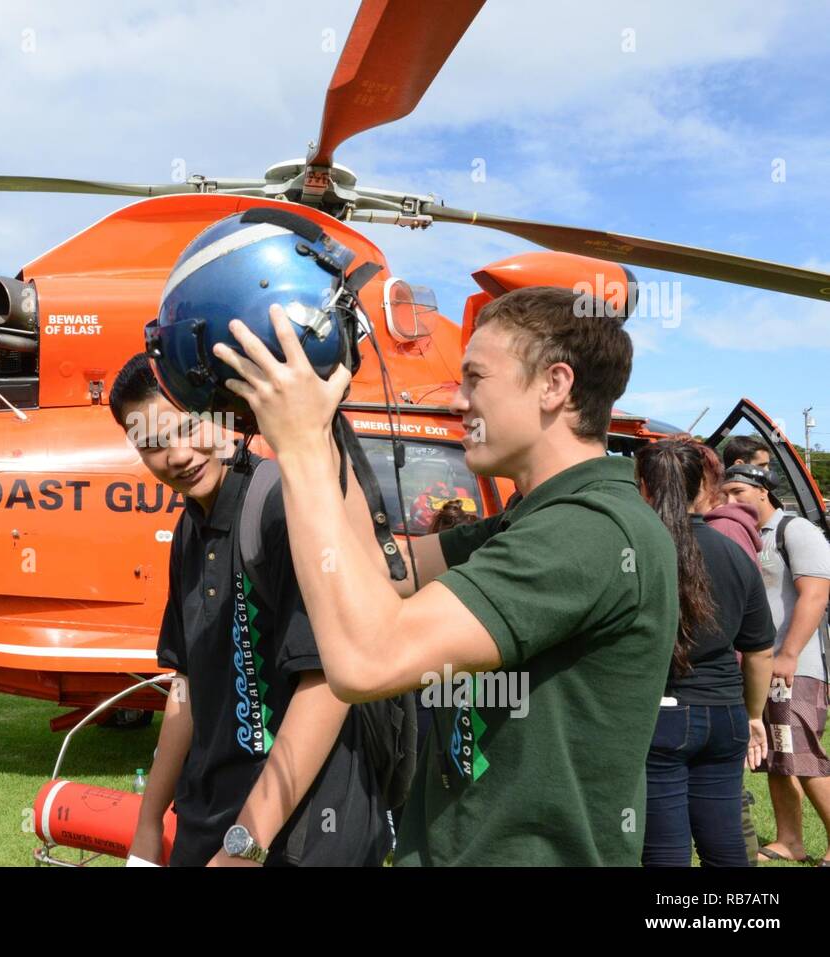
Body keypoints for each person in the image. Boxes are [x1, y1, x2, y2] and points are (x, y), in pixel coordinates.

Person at [215, 285, 680, 865]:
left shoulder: (589, 531)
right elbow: (378, 569)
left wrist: (303, 447)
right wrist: (326, 425)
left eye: (475, 379)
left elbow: (368, 661)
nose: (458, 402)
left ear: (554, 385)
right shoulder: (529, 521)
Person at [111, 353, 389, 867]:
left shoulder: (284, 506)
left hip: (302, 836)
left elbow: (328, 682)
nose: (177, 454)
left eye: (189, 427)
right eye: (151, 443)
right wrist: (149, 824)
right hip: (211, 827)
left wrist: (245, 844)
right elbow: (186, 685)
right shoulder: (189, 528)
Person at [635, 440, 775, 866]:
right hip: (726, 716)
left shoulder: (636, 550)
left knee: (664, 850)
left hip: (659, 717)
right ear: (704, 488)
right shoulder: (734, 552)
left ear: (643, 488)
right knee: (726, 843)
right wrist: (753, 715)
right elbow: (759, 650)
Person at [722, 463, 830, 865]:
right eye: (724, 493)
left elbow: (816, 595)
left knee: (802, 754)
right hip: (761, 665)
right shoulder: (745, 536)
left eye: (738, 492)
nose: (730, 500)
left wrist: (787, 655)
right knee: (777, 757)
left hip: (794, 665)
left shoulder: (794, 530)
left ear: (763, 492)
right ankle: (790, 841)